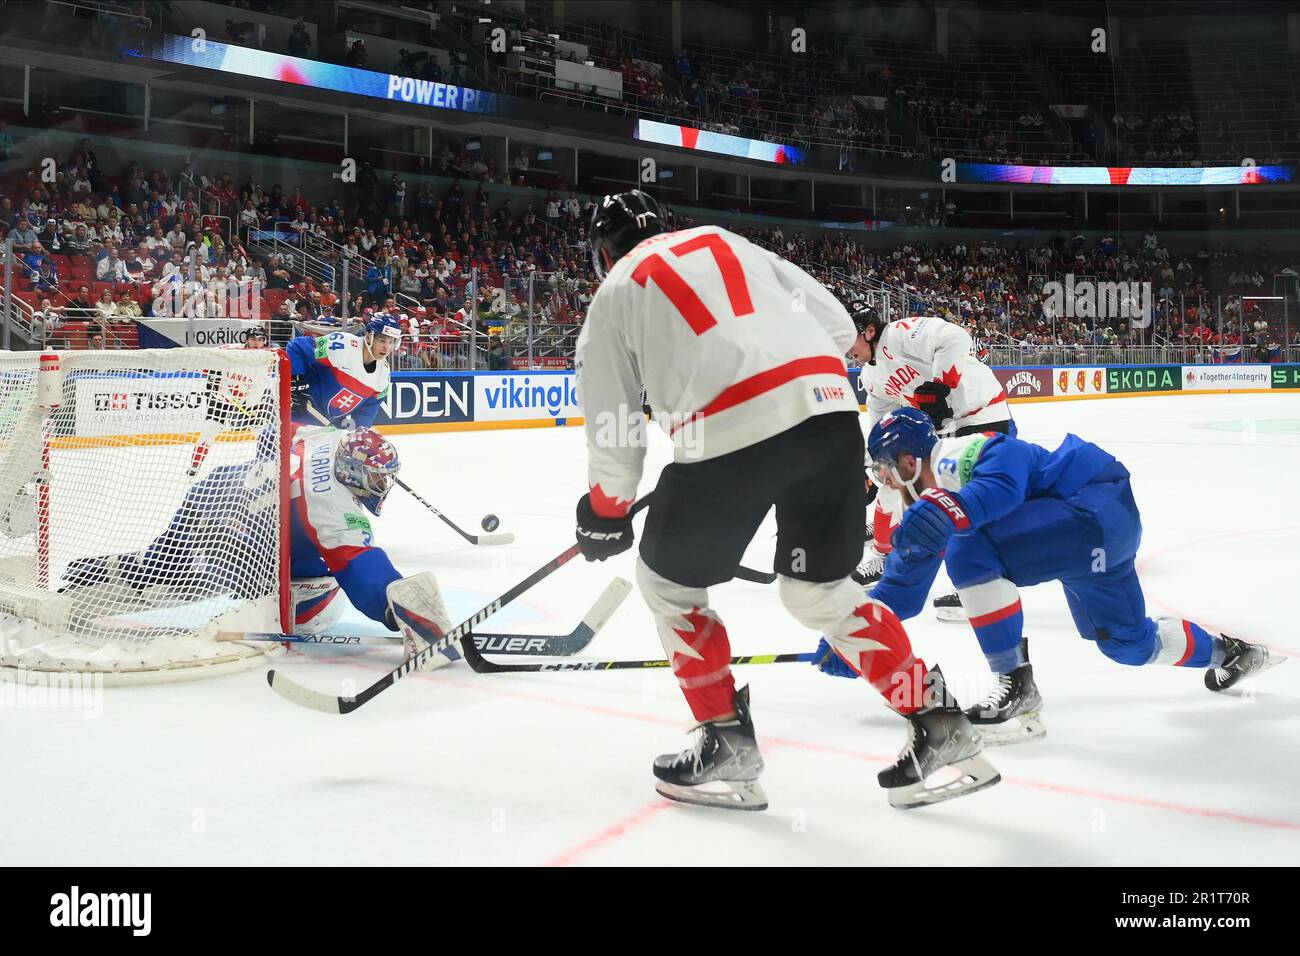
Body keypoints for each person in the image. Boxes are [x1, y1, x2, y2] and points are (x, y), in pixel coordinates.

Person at [573, 190, 999, 811]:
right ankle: (940, 724)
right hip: (828, 421)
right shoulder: (726, 242)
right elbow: (837, 325)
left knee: (669, 587)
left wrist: (605, 512)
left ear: (602, 254)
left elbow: (615, 429)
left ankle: (726, 743)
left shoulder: (612, 296)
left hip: (725, 438)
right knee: (819, 592)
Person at [814, 407, 1281, 744]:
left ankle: (1015, 683)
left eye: (883, 467)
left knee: (970, 549)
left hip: (1092, 507)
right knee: (1127, 644)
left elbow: (1007, 473)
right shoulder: (926, 507)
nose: (881, 480)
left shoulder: (952, 457)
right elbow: (904, 589)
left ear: (909, 460)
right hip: (1095, 537)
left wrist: (955, 510)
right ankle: (1233, 653)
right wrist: (855, 640)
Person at [849, 307, 1012, 615]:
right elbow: (880, 422)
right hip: (946, 429)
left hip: (982, 414)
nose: (846, 349)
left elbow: (955, 337)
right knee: (937, 505)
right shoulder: (871, 376)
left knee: (977, 509)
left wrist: (941, 384)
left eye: (849, 339)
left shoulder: (900, 333)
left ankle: (986, 590)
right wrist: (872, 468)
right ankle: (894, 561)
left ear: (869, 331)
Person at [285, 314, 399, 429]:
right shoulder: (342, 345)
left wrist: (360, 430)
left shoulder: (383, 374)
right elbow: (297, 346)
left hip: (324, 428)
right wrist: (296, 380)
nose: (387, 348)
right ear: (369, 336)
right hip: (296, 414)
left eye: (391, 342)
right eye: (382, 341)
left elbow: (367, 411)